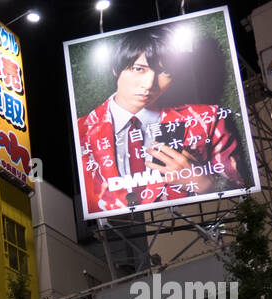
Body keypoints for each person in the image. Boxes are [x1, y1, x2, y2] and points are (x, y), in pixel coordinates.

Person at [75, 25, 249, 216]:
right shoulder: (81, 131)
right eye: (138, 69)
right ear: (116, 69)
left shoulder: (208, 119)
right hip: (120, 234)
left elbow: (241, 190)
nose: (150, 84)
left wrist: (205, 184)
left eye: (165, 72)